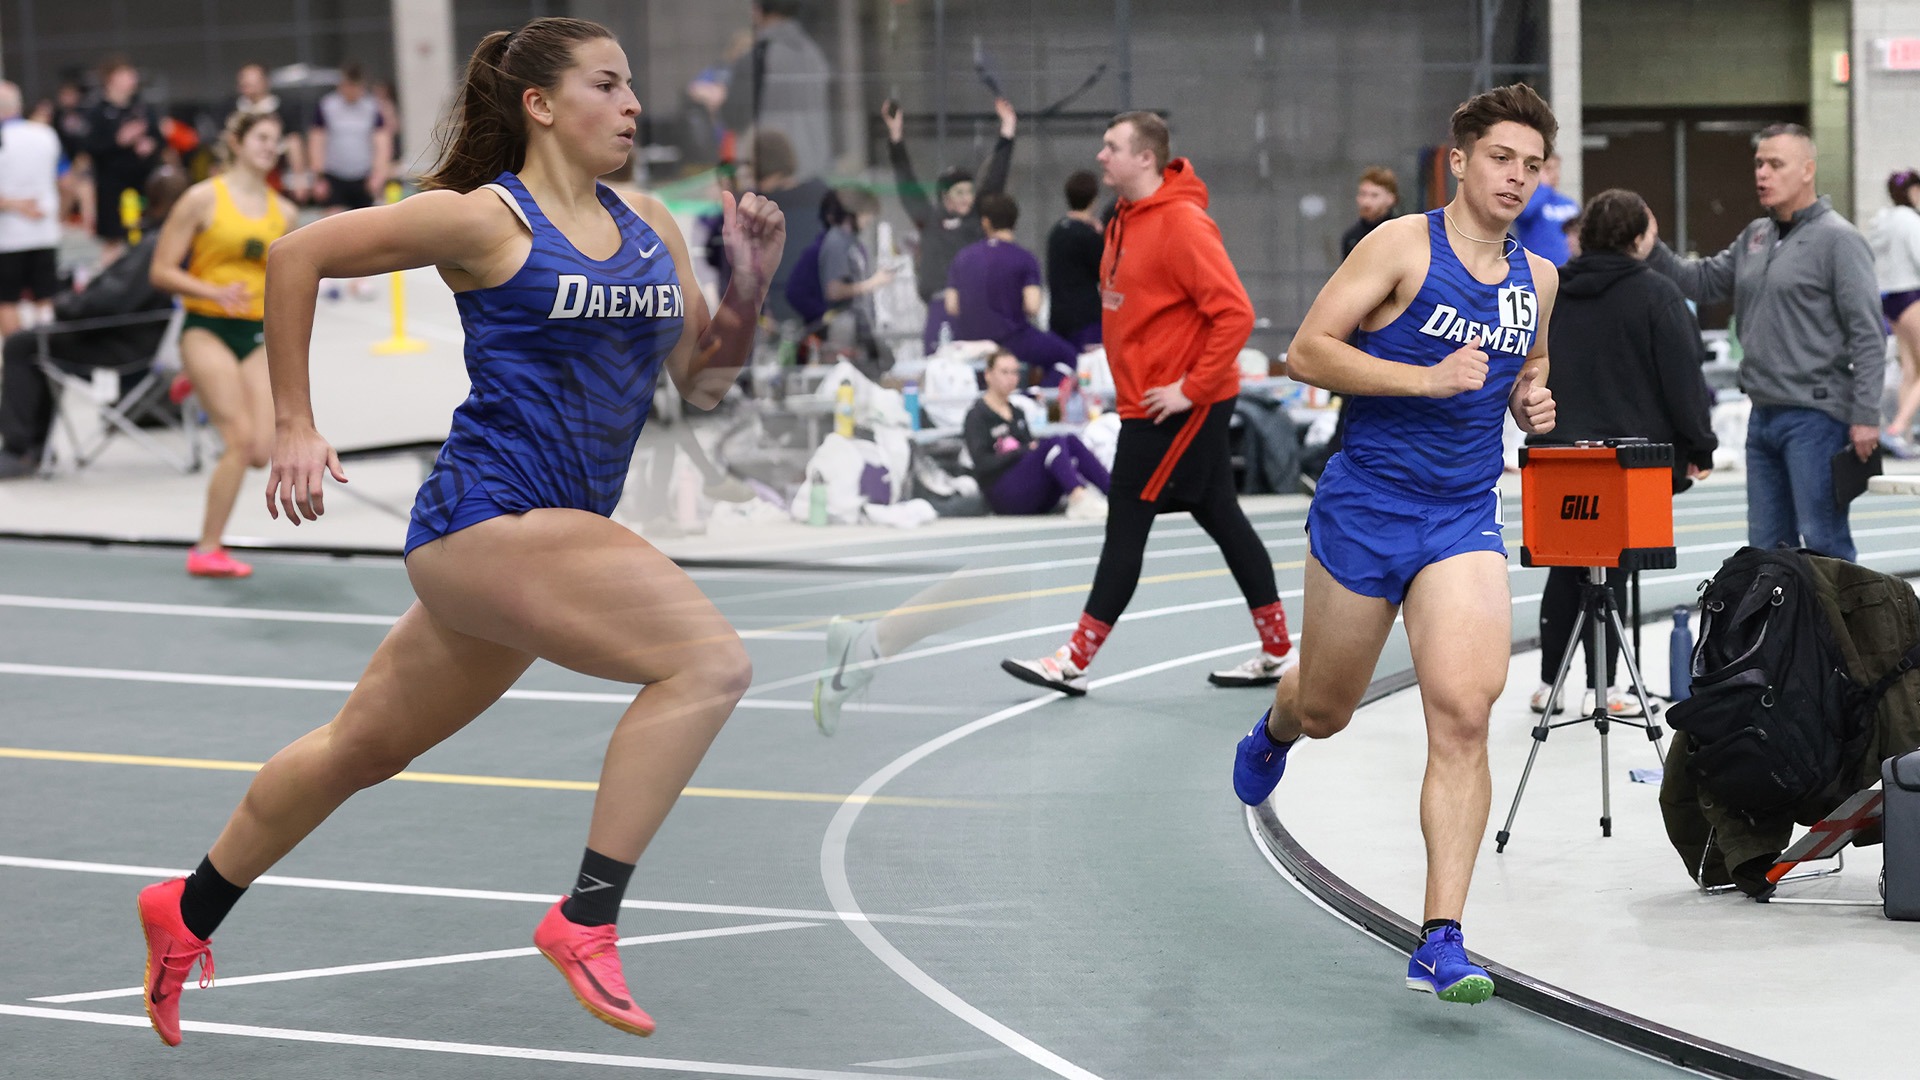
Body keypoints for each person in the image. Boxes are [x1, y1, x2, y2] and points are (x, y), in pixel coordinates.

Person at [134, 16, 784, 1047]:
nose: (630, 105)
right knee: (708, 663)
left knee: (360, 750)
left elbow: (702, 382)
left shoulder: (653, 218)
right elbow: (298, 255)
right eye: (607, 86)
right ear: (540, 105)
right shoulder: (486, 220)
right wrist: (295, 421)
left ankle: (189, 904)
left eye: (629, 88)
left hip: (543, 544)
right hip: (491, 516)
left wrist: (748, 283)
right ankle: (588, 917)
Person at [1230, 83, 1562, 1005]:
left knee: (1463, 711)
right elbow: (1305, 352)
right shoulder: (1400, 245)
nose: (1516, 178)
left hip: (1461, 517)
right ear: (1458, 160)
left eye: (1531, 166)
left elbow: (1526, 374)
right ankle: (1280, 722)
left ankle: (1442, 937)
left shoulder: (1538, 280)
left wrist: (1534, 403)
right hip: (1367, 507)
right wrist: (1419, 382)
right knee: (1332, 706)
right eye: (1502, 158)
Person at [1001, 111, 1294, 695]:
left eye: (1112, 147)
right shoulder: (1122, 219)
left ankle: (1074, 659)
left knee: (1126, 523)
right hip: (1148, 399)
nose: (1101, 156)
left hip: (1175, 407)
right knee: (1221, 515)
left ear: (1145, 158)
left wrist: (1188, 388)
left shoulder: (1183, 224)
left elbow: (1233, 313)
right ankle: (1280, 648)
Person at [1646, 123, 1885, 561]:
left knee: (1824, 544)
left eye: (1776, 164)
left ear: (1808, 170)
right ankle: (1781, 633)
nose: (1763, 174)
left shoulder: (1840, 240)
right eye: (1759, 163)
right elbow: (1701, 281)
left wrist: (1867, 414)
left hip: (1816, 416)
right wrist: (1652, 246)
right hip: (1763, 416)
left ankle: (1840, 633)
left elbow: (1869, 334)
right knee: (1765, 551)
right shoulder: (1755, 235)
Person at [1528, 188, 1717, 716]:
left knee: (1565, 564)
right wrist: (1699, 445)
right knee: (1615, 567)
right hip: (1630, 459)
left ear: (1584, 236)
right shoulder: (1656, 294)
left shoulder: (1554, 290)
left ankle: (1549, 685)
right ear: (1639, 239)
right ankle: (1605, 688)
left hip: (1558, 451)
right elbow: (1684, 379)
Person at [147, 111, 297, 580]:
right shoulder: (202, 198)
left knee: (261, 451)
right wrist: (213, 292)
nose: (269, 147)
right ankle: (207, 548)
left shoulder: (284, 212)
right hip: (207, 325)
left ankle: (198, 385)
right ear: (235, 142)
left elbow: (286, 281)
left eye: (275, 140)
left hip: (253, 333)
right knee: (238, 440)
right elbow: (161, 271)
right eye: (261, 137)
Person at [0, 167, 187, 479]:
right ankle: (31, 448)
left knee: (24, 344)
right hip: (137, 337)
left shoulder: (158, 245)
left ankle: (21, 450)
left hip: (123, 344)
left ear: (152, 200)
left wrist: (65, 305)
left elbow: (113, 300)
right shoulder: (169, 241)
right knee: (36, 341)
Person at [883, 95, 1017, 351]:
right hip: (940, 306)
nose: (967, 198)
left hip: (976, 306)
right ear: (944, 197)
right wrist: (895, 136)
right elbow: (906, 181)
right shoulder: (930, 220)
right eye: (959, 193)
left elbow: (995, 178)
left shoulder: (977, 219)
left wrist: (1008, 131)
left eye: (969, 191)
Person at [945, 192, 1078, 383]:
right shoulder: (1024, 258)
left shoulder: (962, 257)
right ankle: (1035, 400)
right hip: (1013, 340)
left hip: (969, 341)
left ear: (985, 222)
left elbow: (952, 306)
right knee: (1067, 356)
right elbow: (1033, 306)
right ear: (1015, 222)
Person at [965, 348, 1109, 518]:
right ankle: (1078, 496)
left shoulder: (1017, 411)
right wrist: (1021, 451)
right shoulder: (977, 415)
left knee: (1069, 440)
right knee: (1053, 442)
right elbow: (982, 464)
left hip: (1029, 487)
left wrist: (1028, 450)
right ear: (988, 374)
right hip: (1003, 493)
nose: (1011, 378)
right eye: (1004, 372)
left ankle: (1115, 492)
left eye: (1015, 373)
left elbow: (1030, 450)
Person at [718, 0, 833, 182]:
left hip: (771, 177)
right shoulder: (814, 53)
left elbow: (734, 116)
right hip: (814, 171)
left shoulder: (758, 57)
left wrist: (718, 101)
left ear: (757, 11)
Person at [81, 57, 163, 262]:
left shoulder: (142, 108)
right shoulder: (97, 112)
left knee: (148, 235)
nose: (132, 79)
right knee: (114, 238)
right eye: (126, 75)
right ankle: (110, 285)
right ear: (111, 79)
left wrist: (150, 144)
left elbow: (159, 138)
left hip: (143, 181)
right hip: (112, 184)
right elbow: (89, 148)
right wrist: (119, 141)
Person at [0, 81, 64, 338]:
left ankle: (18, 359)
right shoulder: (45, 134)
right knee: (46, 299)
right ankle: (46, 357)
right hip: (44, 232)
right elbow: (64, 179)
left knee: (7, 301)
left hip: (8, 238)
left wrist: (15, 204)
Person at [815, 186, 891, 375]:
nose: (868, 220)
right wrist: (872, 283)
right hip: (846, 328)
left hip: (859, 326)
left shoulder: (851, 242)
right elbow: (833, 290)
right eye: (865, 214)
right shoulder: (836, 243)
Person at [1871, 169, 1920, 456]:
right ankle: (1897, 425)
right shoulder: (1909, 220)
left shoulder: (1882, 221)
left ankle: (1903, 434)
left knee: (1910, 370)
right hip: (1912, 294)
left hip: (1889, 298)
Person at [309, 62, 393, 215]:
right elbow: (317, 141)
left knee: (367, 218)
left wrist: (379, 174)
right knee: (334, 220)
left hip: (364, 175)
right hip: (334, 174)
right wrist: (319, 177)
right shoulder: (327, 106)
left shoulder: (372, 107)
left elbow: (382, 143)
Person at [235, 61, 311, 204]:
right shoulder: (234, 109)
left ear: (265, 82)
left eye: (253, 81)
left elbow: (293, 142)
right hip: (240, 176)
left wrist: (299, 176)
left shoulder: (283, 109)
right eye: (245, 81)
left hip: (274, 177)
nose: (248, 85)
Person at [1046, 169, 1105, 349]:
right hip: (1085, 318)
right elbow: (1104, 272)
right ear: (1094, 199)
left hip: (1058, 316)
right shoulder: (1088, 236)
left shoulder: (1057, 231)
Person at [1513, 152, 1579, 264]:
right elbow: (1523, 214)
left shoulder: (1569, 203)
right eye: (1548, 169)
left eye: (1557, 168)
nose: (1554, 174)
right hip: (1537, 269)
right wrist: (1543, 187)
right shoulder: (1529, 200)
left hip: (1567, 270)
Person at [1340, 166, 1398, 259]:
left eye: (1374, 195)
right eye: (1362, 194)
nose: (1366, 202)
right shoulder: (1351, 237)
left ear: (1390, 199)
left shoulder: (1400, 232)